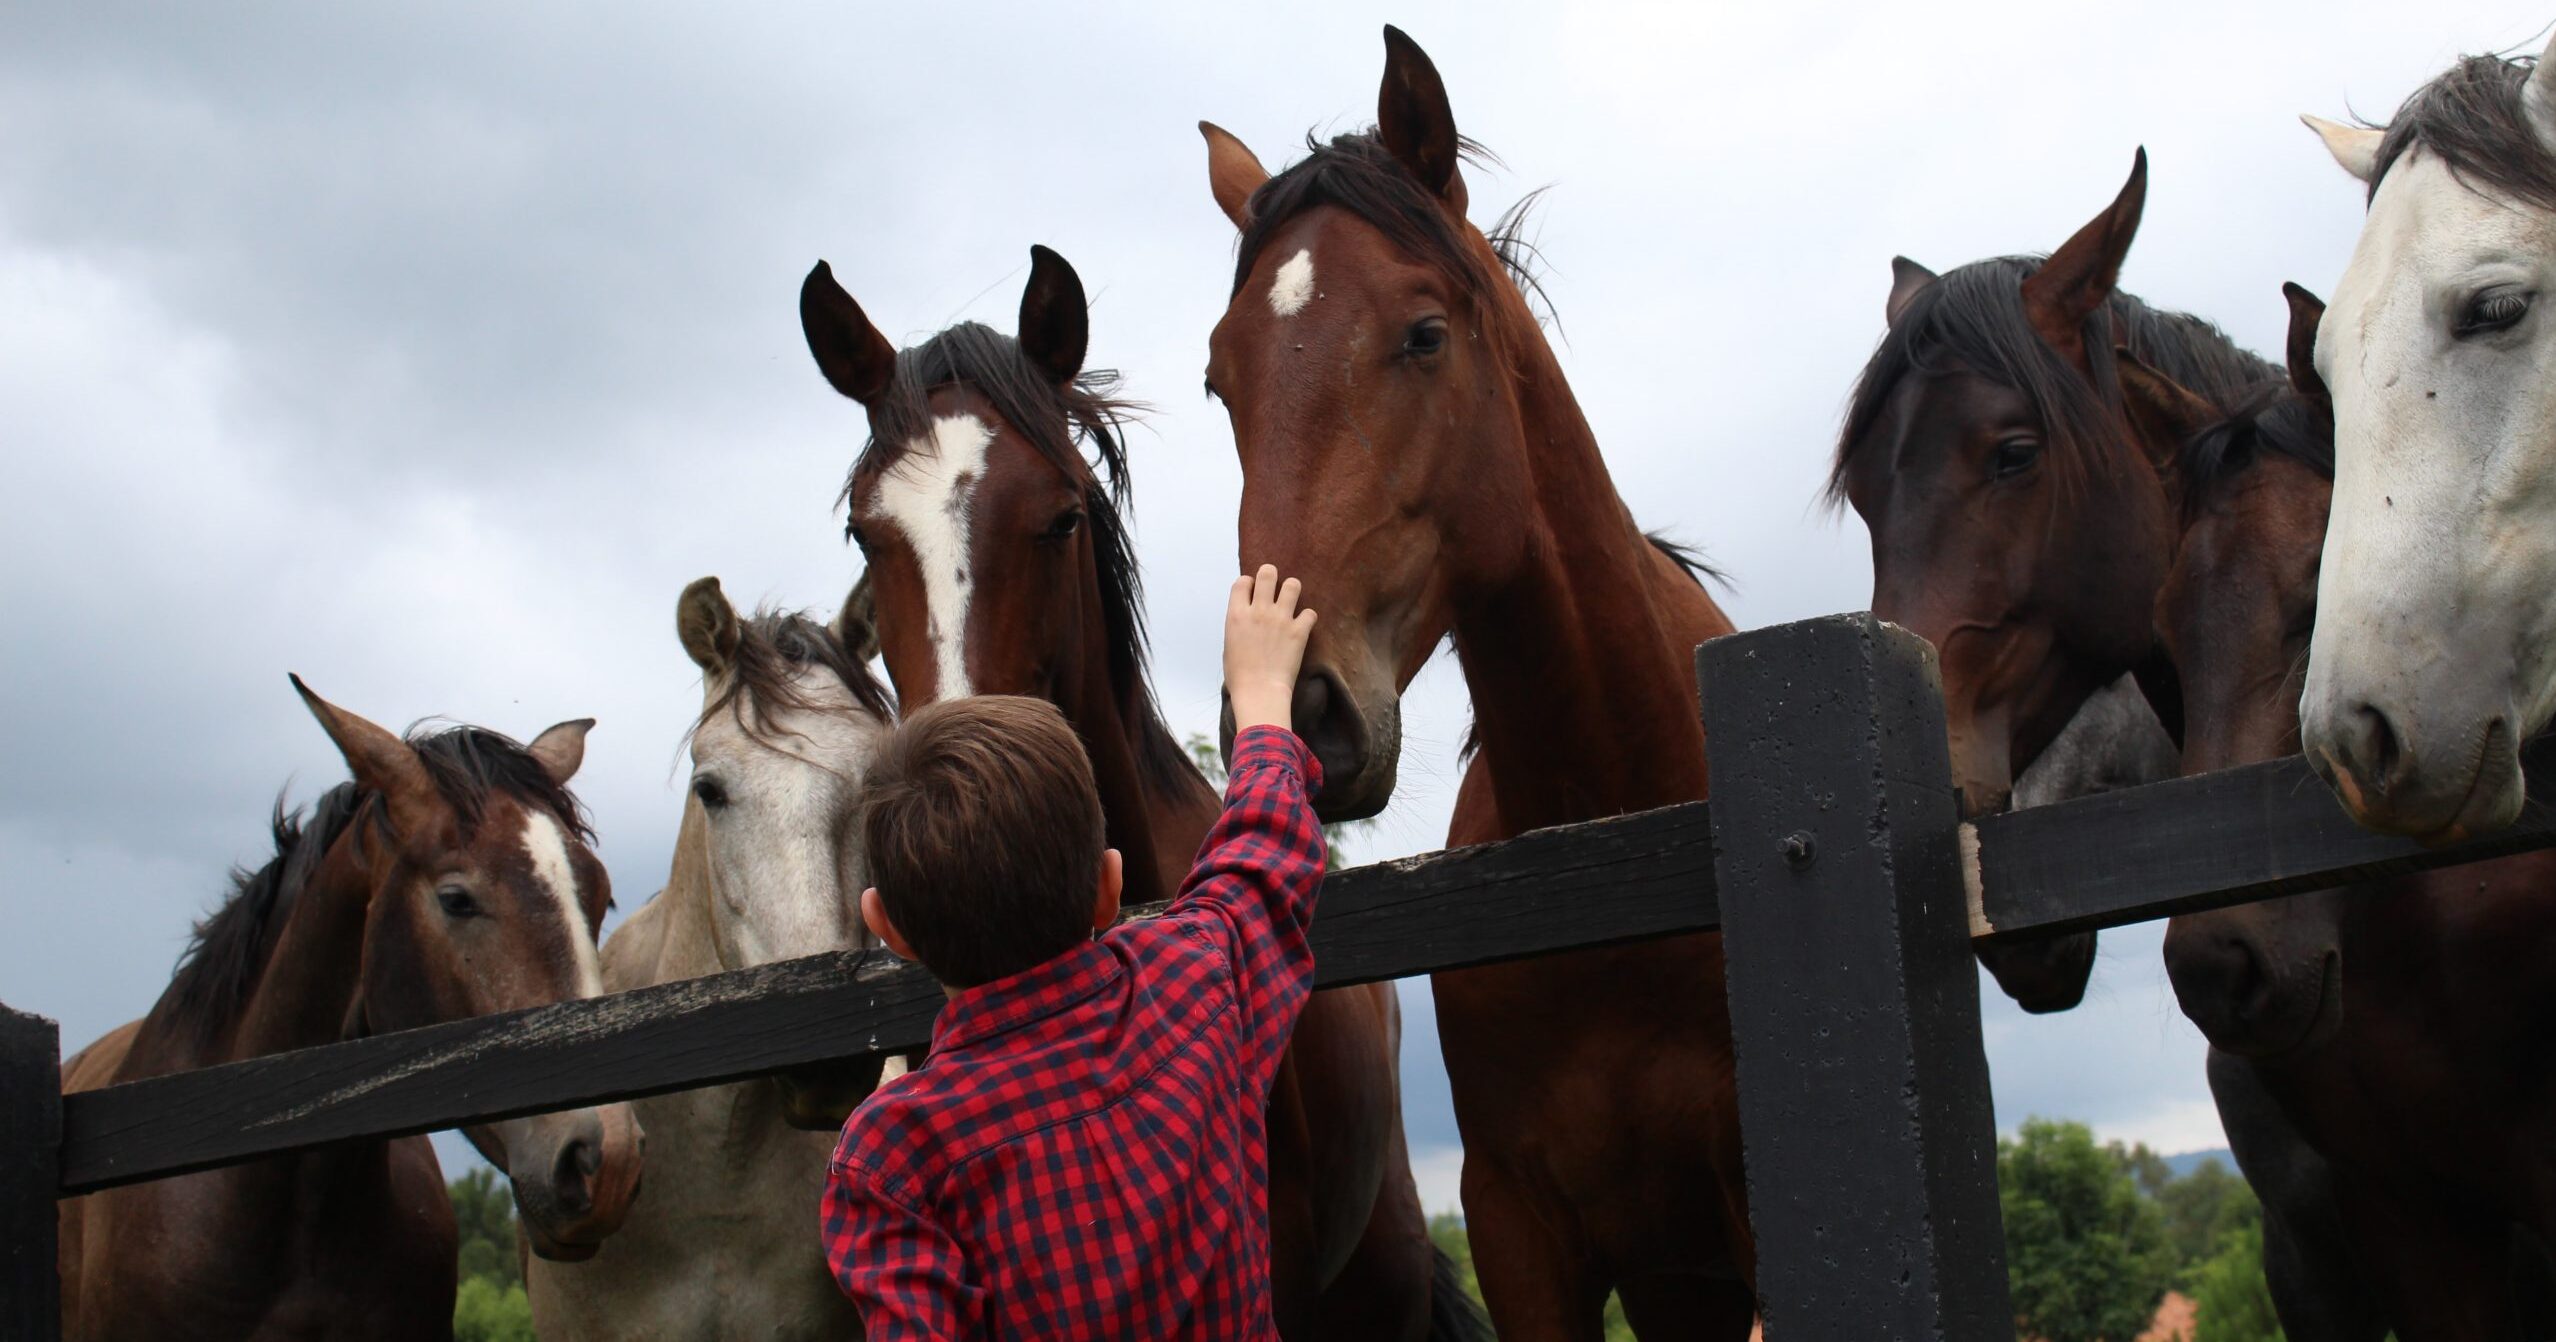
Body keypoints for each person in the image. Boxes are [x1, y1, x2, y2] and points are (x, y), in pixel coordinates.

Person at [822, 564, 1327, 1339]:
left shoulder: (891, 1157)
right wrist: (1261, 700)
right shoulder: (1195, 985)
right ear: (1108, 887)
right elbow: (1263, 855)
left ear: (888, 929)